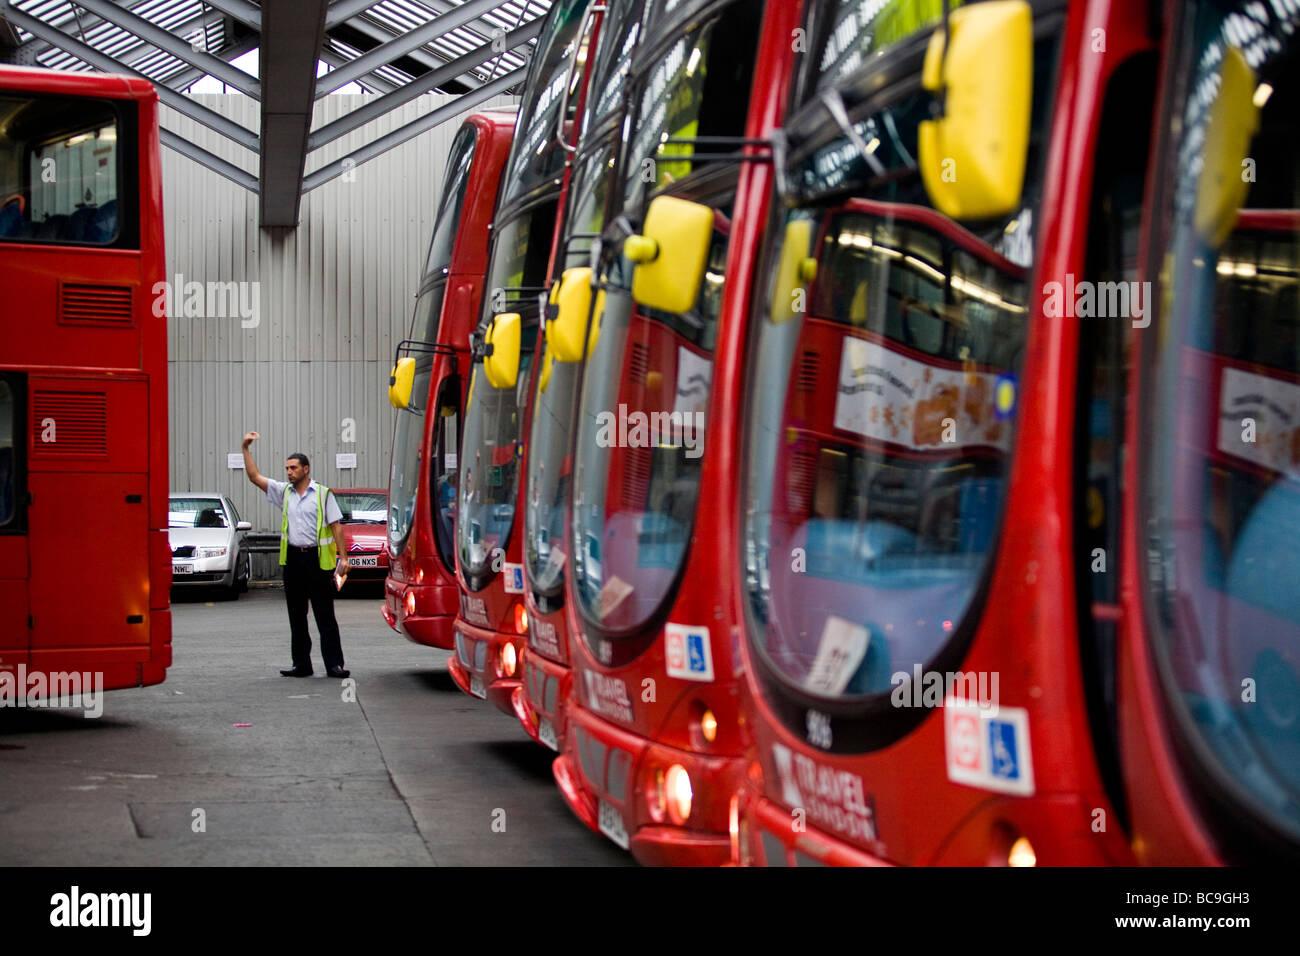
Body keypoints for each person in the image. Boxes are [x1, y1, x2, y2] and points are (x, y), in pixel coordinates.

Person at [241, 431, 351, 678]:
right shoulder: (284, 492)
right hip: (293, 561)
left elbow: (336, 527)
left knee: (325, 616)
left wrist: (344, 559)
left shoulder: (323, 494)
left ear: (306, 469)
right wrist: (245, 449)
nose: (288, 472)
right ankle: (301, 664)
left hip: (318, 562)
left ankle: (334, 664)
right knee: (296, 616)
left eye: (293, 468)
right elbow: (254, 476)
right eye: (287, 468)